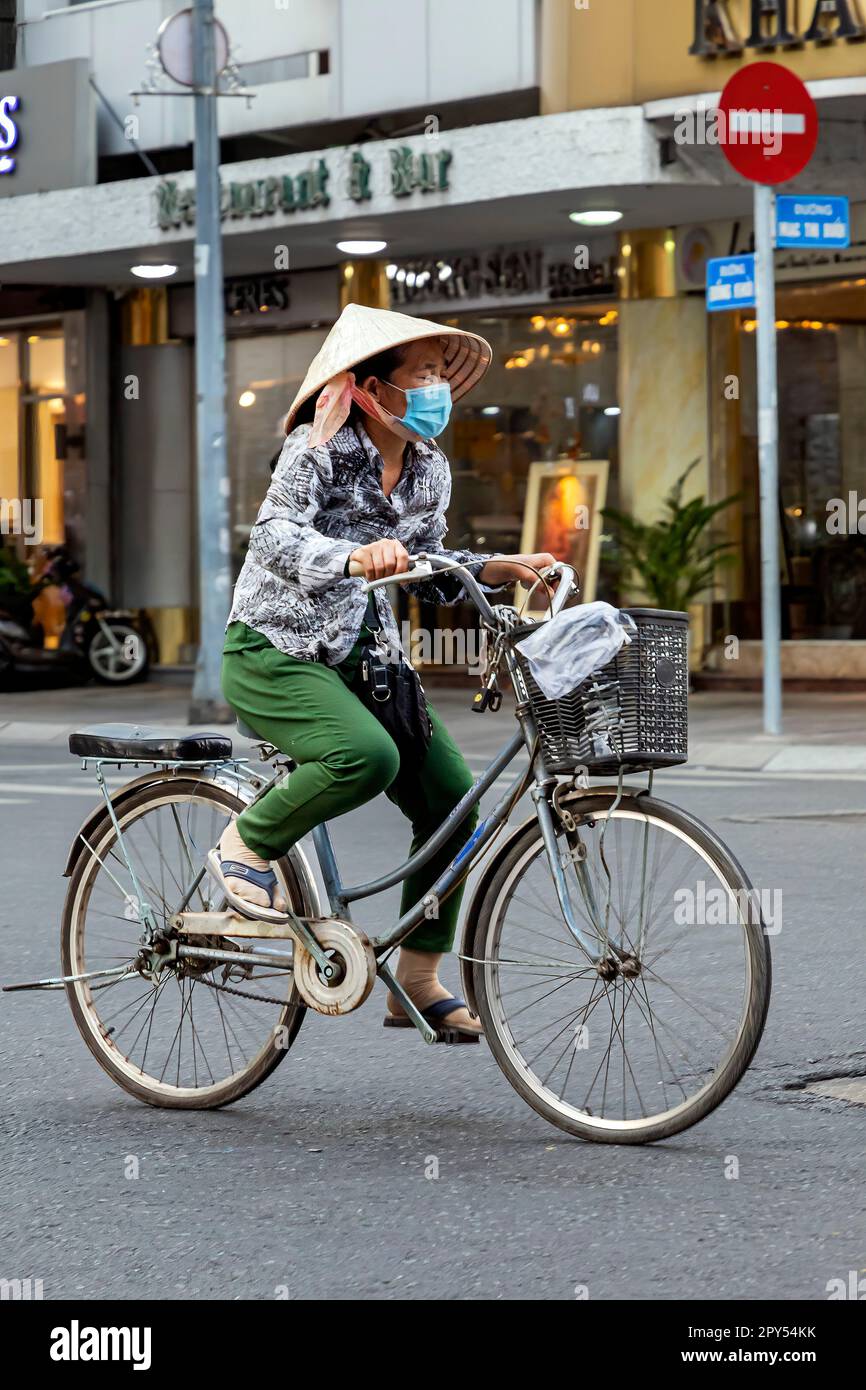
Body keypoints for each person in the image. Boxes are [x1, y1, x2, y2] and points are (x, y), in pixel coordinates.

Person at [214, 303, 555, 1040]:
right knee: (364, 756)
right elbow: (271, 534)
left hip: (367, 659)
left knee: (454, 801)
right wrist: (346, 556)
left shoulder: (429, 467)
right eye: (422, 373)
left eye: (440, 371)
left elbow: (430, 567)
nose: (436, 386)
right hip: (275, 650)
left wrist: (503, 567)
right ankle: (247, 843)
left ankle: (419, 976)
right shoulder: (319, 447)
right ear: (372, 387)